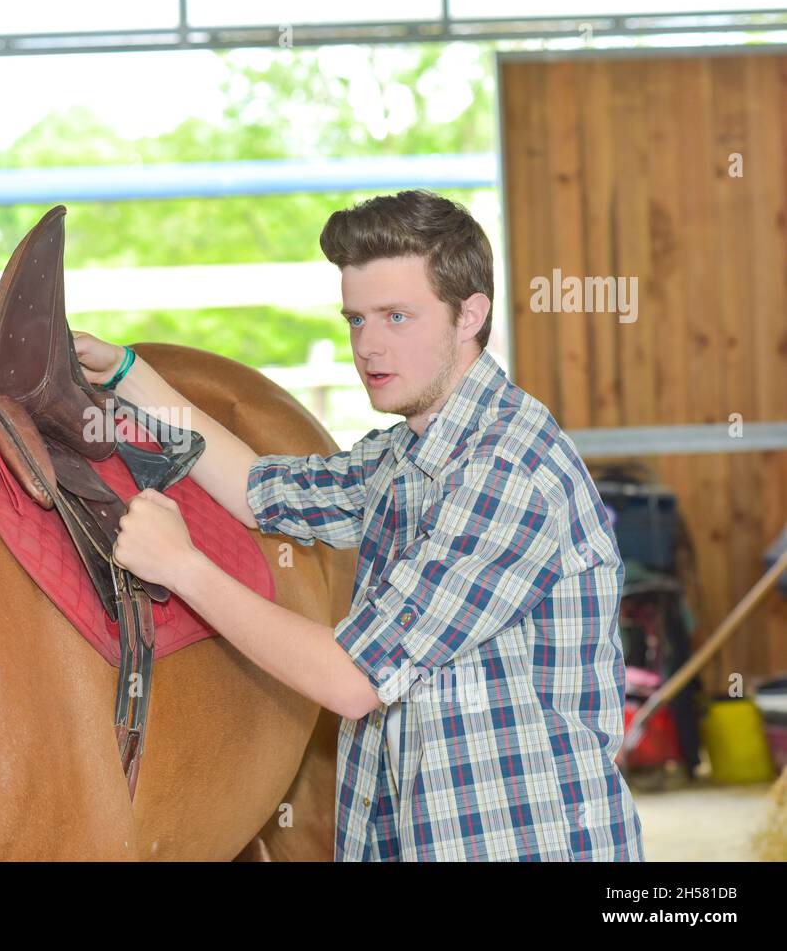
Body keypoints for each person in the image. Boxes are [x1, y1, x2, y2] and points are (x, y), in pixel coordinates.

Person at [72, 189, 644, 861]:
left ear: (471, 316)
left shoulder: (506, 470)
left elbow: (350, 678)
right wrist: (127, 374)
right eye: (355, 319)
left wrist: (182, 566)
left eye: (397, 316)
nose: (368, 346)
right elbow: (263, 491)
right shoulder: (408, 454)